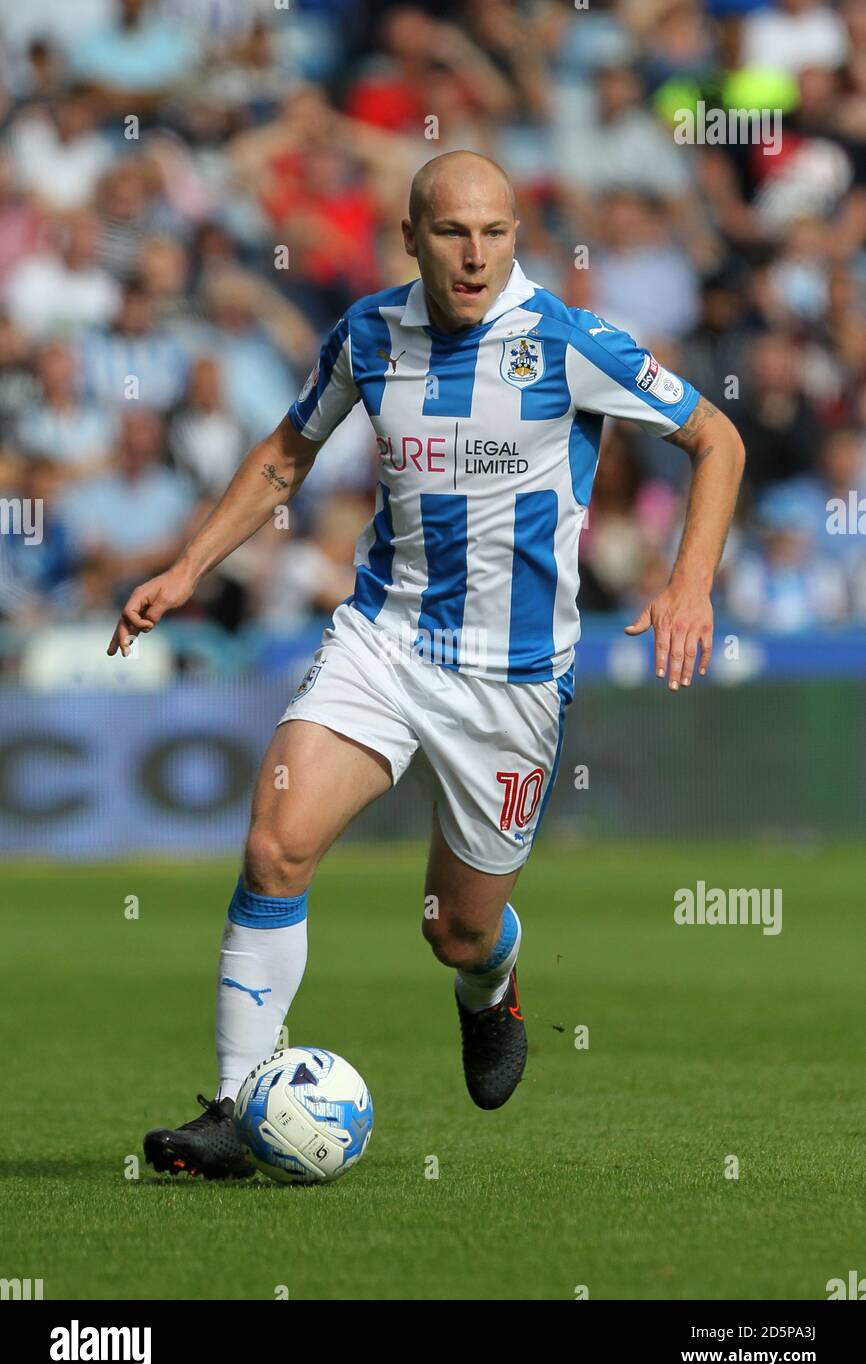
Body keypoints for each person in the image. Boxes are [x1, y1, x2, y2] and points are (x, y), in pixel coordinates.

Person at [107, 150, 745, 1179]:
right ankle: (232, 1104)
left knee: (455, 930)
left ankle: (489, 986)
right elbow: (285, 452)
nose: (475, 254)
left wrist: (688, 582)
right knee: (275, 847)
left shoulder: (568, 342)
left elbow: (716, 439)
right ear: (409, 237)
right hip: (384, 639)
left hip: (512, 680)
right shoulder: (367, 332)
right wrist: (188, 564)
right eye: (452, 232)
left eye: (495, 232)